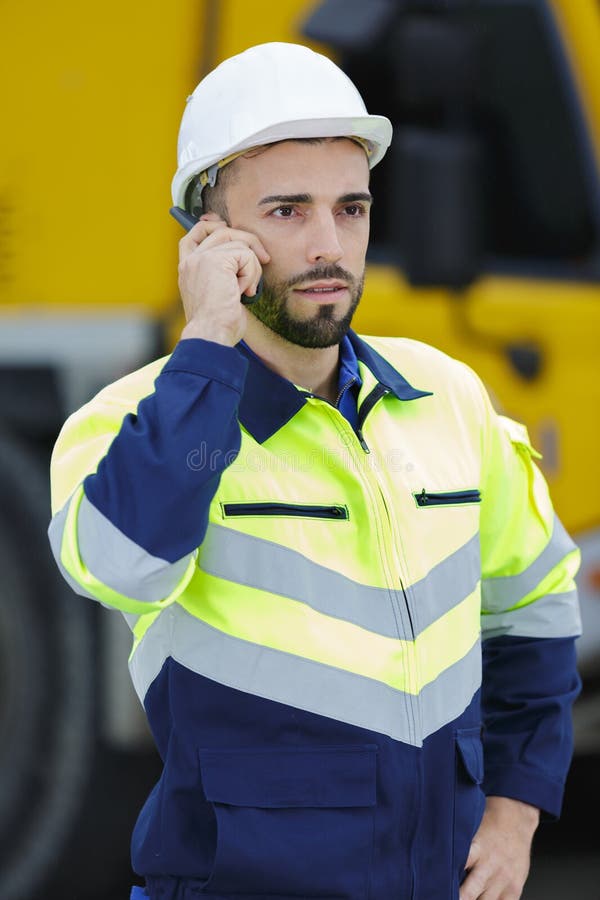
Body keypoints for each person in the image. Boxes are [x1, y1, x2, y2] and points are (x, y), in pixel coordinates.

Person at [48, 41, 582, 900]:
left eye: (352, 208)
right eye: (289, 212)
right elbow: (124, 566)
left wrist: (516, 811)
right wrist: (208, 349)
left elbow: (540, 606)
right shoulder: (128, 424)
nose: (331, 246)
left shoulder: (448, 399)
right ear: (210, 235)